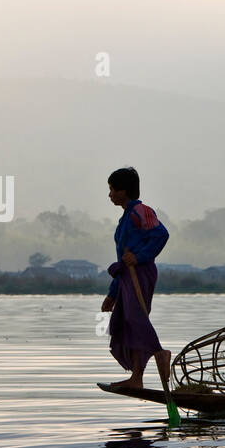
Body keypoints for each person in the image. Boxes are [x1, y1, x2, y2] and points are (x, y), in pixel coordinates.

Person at [101, 167, 170, 389]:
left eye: (113, 190)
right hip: (126, 275)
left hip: (140, 273)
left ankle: (160, 352)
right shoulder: (124, 218)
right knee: (127, 324)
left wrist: (139, 257)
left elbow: (161, 235)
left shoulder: (141, 211)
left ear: (125, 191)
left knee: (136, 319)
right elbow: (122, 260)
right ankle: (136, 378)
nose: (110, 195)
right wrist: (112, 294)